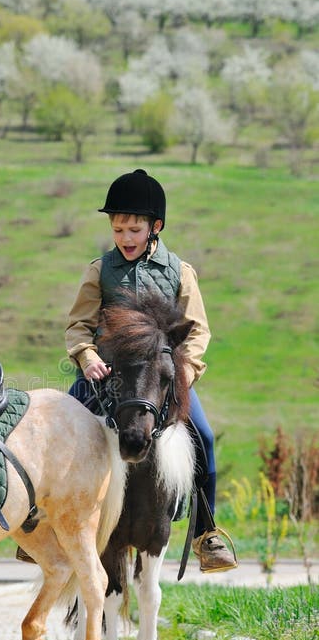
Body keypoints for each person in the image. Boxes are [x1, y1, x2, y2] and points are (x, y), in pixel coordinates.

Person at [64, 168, 237, 572]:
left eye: (134, 229)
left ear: (155, 227)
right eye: (118, 228)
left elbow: (198, 330)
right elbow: (78, 326)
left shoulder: (180, 271)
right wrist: (87, 357)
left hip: (161, 381)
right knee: (61, 430)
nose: (125, 237)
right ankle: (42, 517)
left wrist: (185, 371)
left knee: (205, 439)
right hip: (105, 378)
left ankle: (207, 534)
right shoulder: (99, 270)